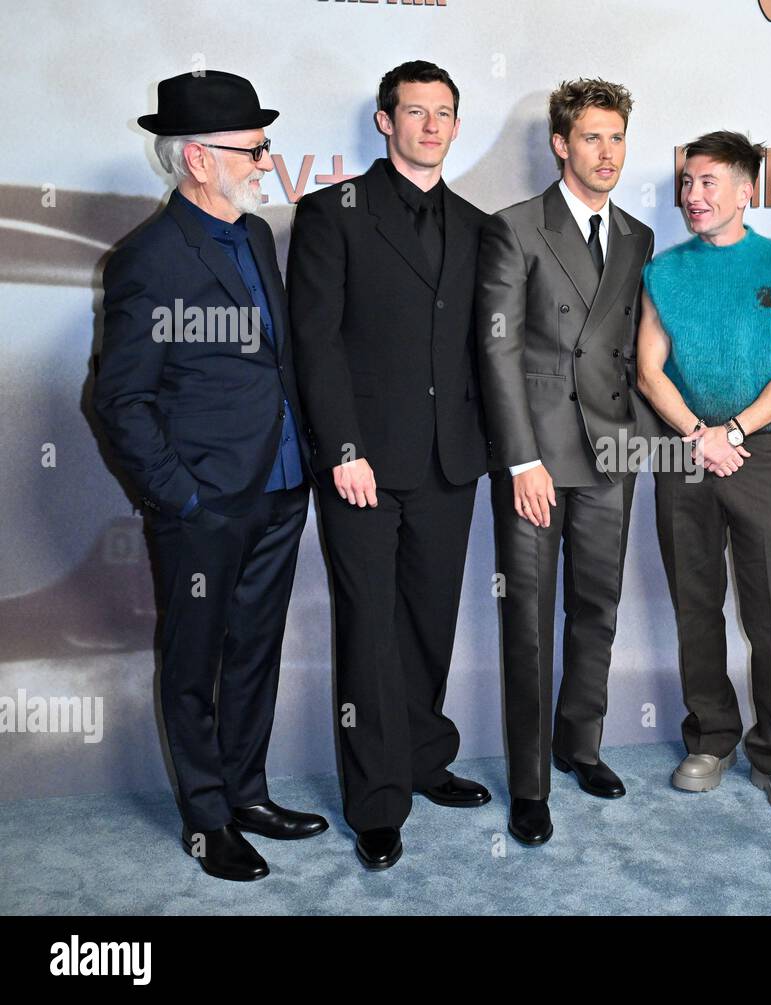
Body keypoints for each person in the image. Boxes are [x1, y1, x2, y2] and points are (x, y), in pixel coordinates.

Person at [96, 70, 325, 882]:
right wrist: (182, 495)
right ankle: (206, 818)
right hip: (205, 503)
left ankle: (247, 791)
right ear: (198, 159)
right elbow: (118, 398)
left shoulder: (258, 235)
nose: (266, 162)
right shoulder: (147, 260)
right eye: (253, 149)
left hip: (282, 487)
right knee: (194, 662)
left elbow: (277, 361)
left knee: (256, 649)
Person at [288, 61, 490, 870]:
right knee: (368, 628)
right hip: (360, 465)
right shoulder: (330, 214)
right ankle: (376, 801)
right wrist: (343, 448)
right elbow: (316, 341)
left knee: (427, 623)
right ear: (384, 121)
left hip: (449, 461)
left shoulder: (479, 225)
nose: (431, 125)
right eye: (415, 112)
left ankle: (422, 759)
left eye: (444, 113)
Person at [476, 79, 655, 846]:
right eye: (591, 137)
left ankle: (580, 746)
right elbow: (497, 347)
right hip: (537, 460)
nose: (606, 152)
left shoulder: (639, 237)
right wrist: (520, 460)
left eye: (616, 137)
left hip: (613, 453)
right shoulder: (514, 228)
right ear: (561, 144)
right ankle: (530, 783)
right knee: (528, 623)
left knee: (597, 611)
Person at [638, 130, 771, 816]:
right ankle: (710, 737)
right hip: (685, 454)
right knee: (695, 600)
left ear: (747, 191)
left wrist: (735, 431)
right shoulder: (665, 270)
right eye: (687, 183)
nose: (693, 195)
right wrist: (698, 434)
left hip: (763, 454)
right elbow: (648, 367)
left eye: (708, 182)